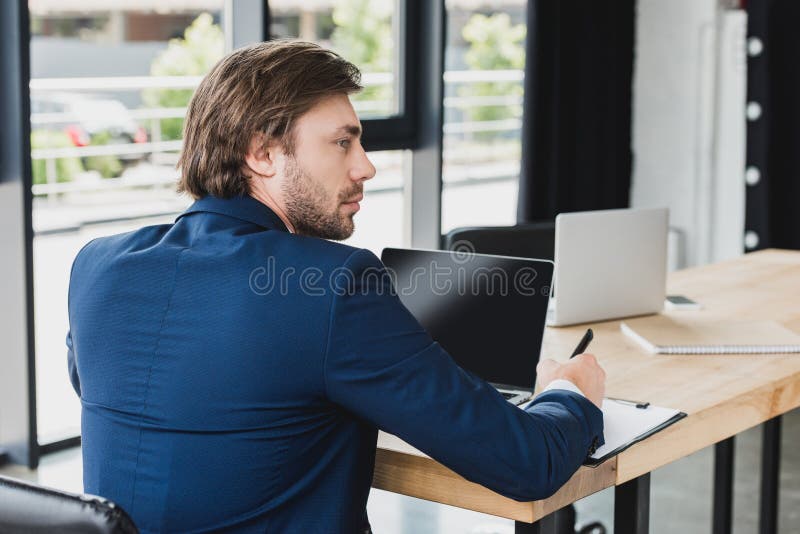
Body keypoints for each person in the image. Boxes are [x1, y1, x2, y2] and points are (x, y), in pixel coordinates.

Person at [66, 40, 606, 533]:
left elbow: (114, 383)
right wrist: (569, 392)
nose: (366, 167)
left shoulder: (98, 265)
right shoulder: (334, 284)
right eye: (342, 143)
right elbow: (527, 463)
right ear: (262, 154)